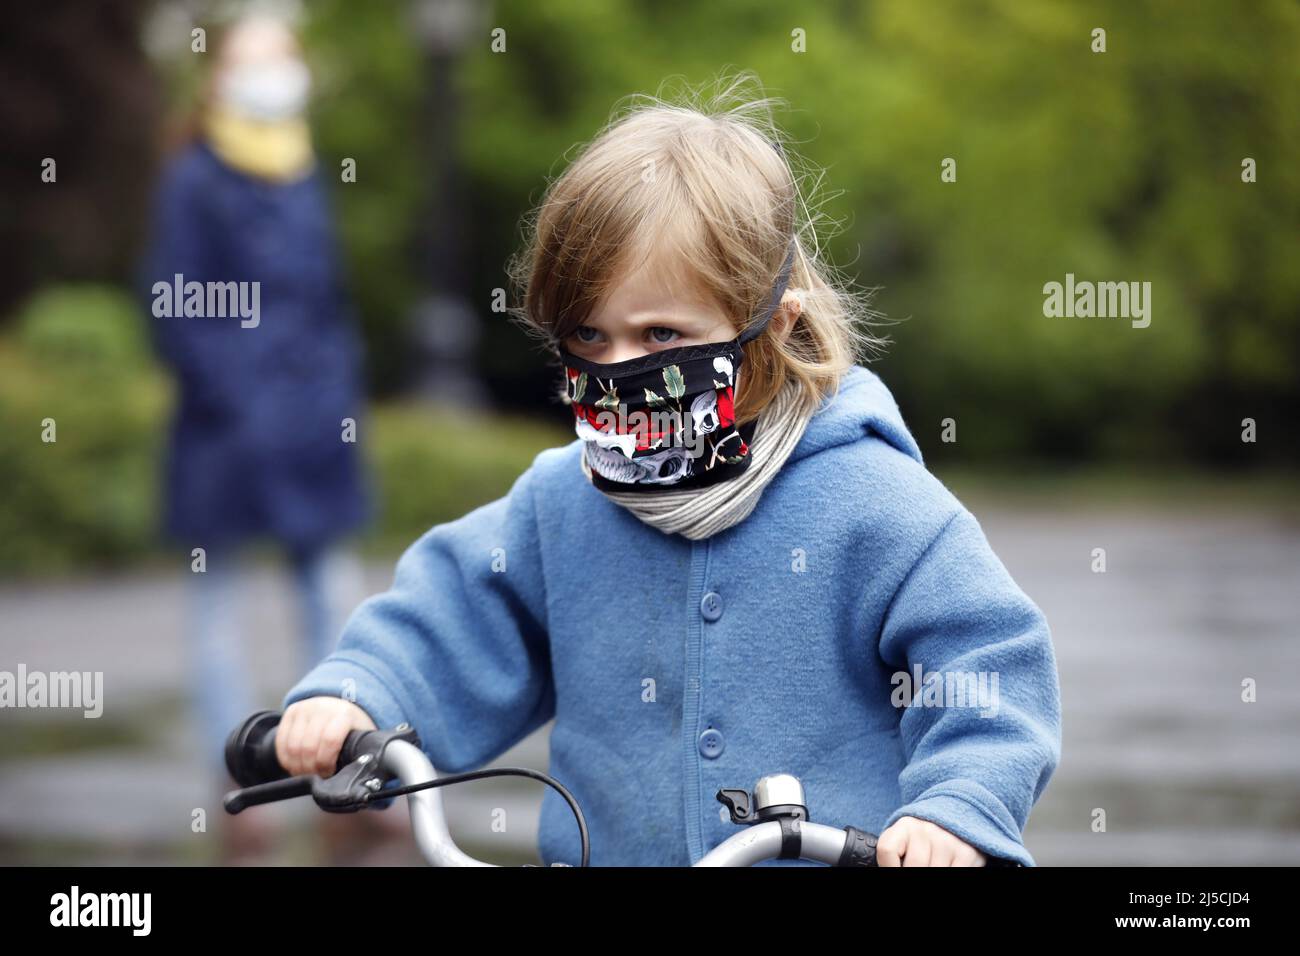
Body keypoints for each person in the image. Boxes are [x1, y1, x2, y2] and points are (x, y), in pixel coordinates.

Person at [273, 74, 1063, 866]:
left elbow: (985, 665)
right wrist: (358, 694)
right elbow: (451, 620)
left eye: (659, 336)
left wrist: (956, 810)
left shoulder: (875, 505)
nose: (616, 369)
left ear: (771, 324)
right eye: (588, 333)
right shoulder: (563, 503)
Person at [138, 12, 380, 863]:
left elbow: (324, 303)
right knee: (218, 611)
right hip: (228, 437)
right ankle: (238, 779)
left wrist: (329, 391)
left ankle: (350, 768)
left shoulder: (303, 169)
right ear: (219, 77)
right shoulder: (194, 178)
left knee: (335, 602)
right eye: (256, 60)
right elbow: (171, 304)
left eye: (283, 58)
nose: (274, 74)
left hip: (314, 427)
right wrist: (239, 397)